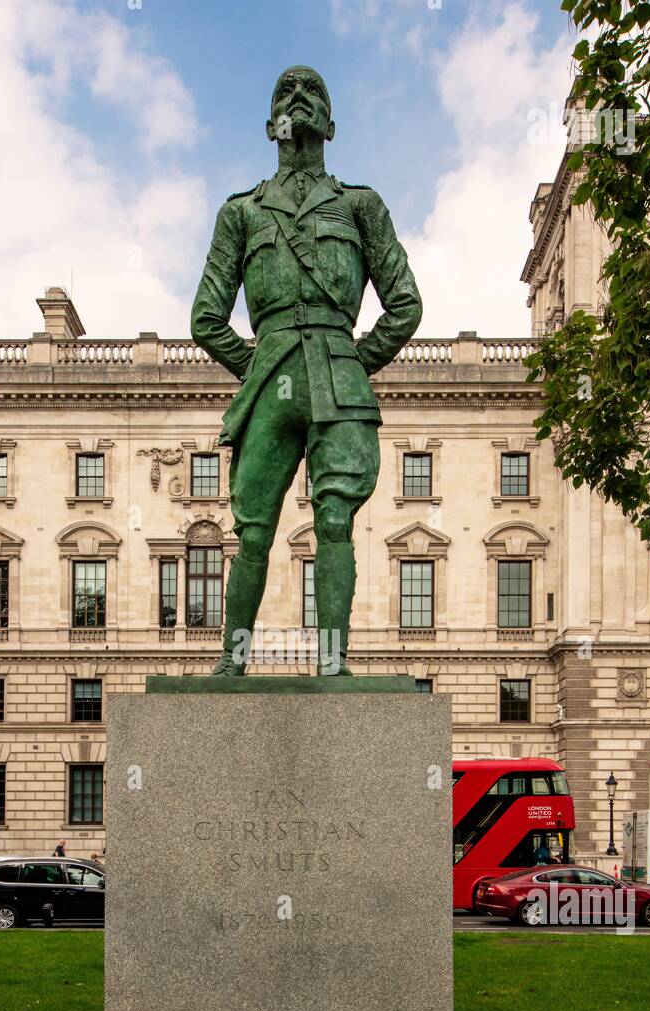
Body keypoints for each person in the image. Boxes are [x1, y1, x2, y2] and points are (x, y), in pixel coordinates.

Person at [191, 65, 422, 675]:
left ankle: (331, 664)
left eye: (313, 93)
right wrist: (258, 368)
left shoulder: (361, 206)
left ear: (332, 123)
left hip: (338, 376)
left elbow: (405, 304)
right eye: (286, 96)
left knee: (336, 518)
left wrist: (353, 361)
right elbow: (206, 317)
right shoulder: (240, 213)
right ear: (272, 125)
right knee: (254, 530)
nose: (299, 100)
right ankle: (231, 663)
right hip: (272, 379)